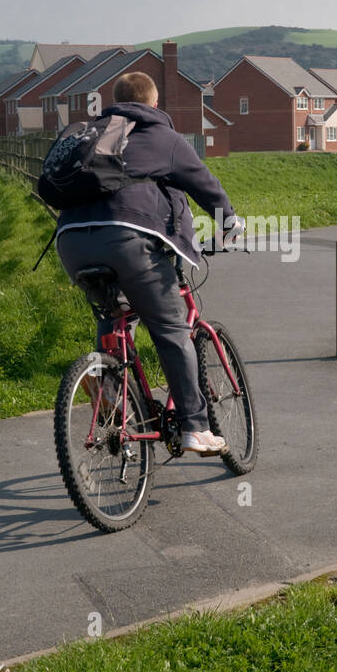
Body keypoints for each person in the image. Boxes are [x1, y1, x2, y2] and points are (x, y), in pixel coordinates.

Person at [55, 71, 244, 455]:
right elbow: (206, 186)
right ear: (154, 104)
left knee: (115, 318)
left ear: (115, 100)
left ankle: (109, 396)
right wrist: (230, 225)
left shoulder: (96, 136)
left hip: (71, 242)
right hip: (127, 241)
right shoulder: (163, 137)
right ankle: (194, 426)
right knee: (172, 329)